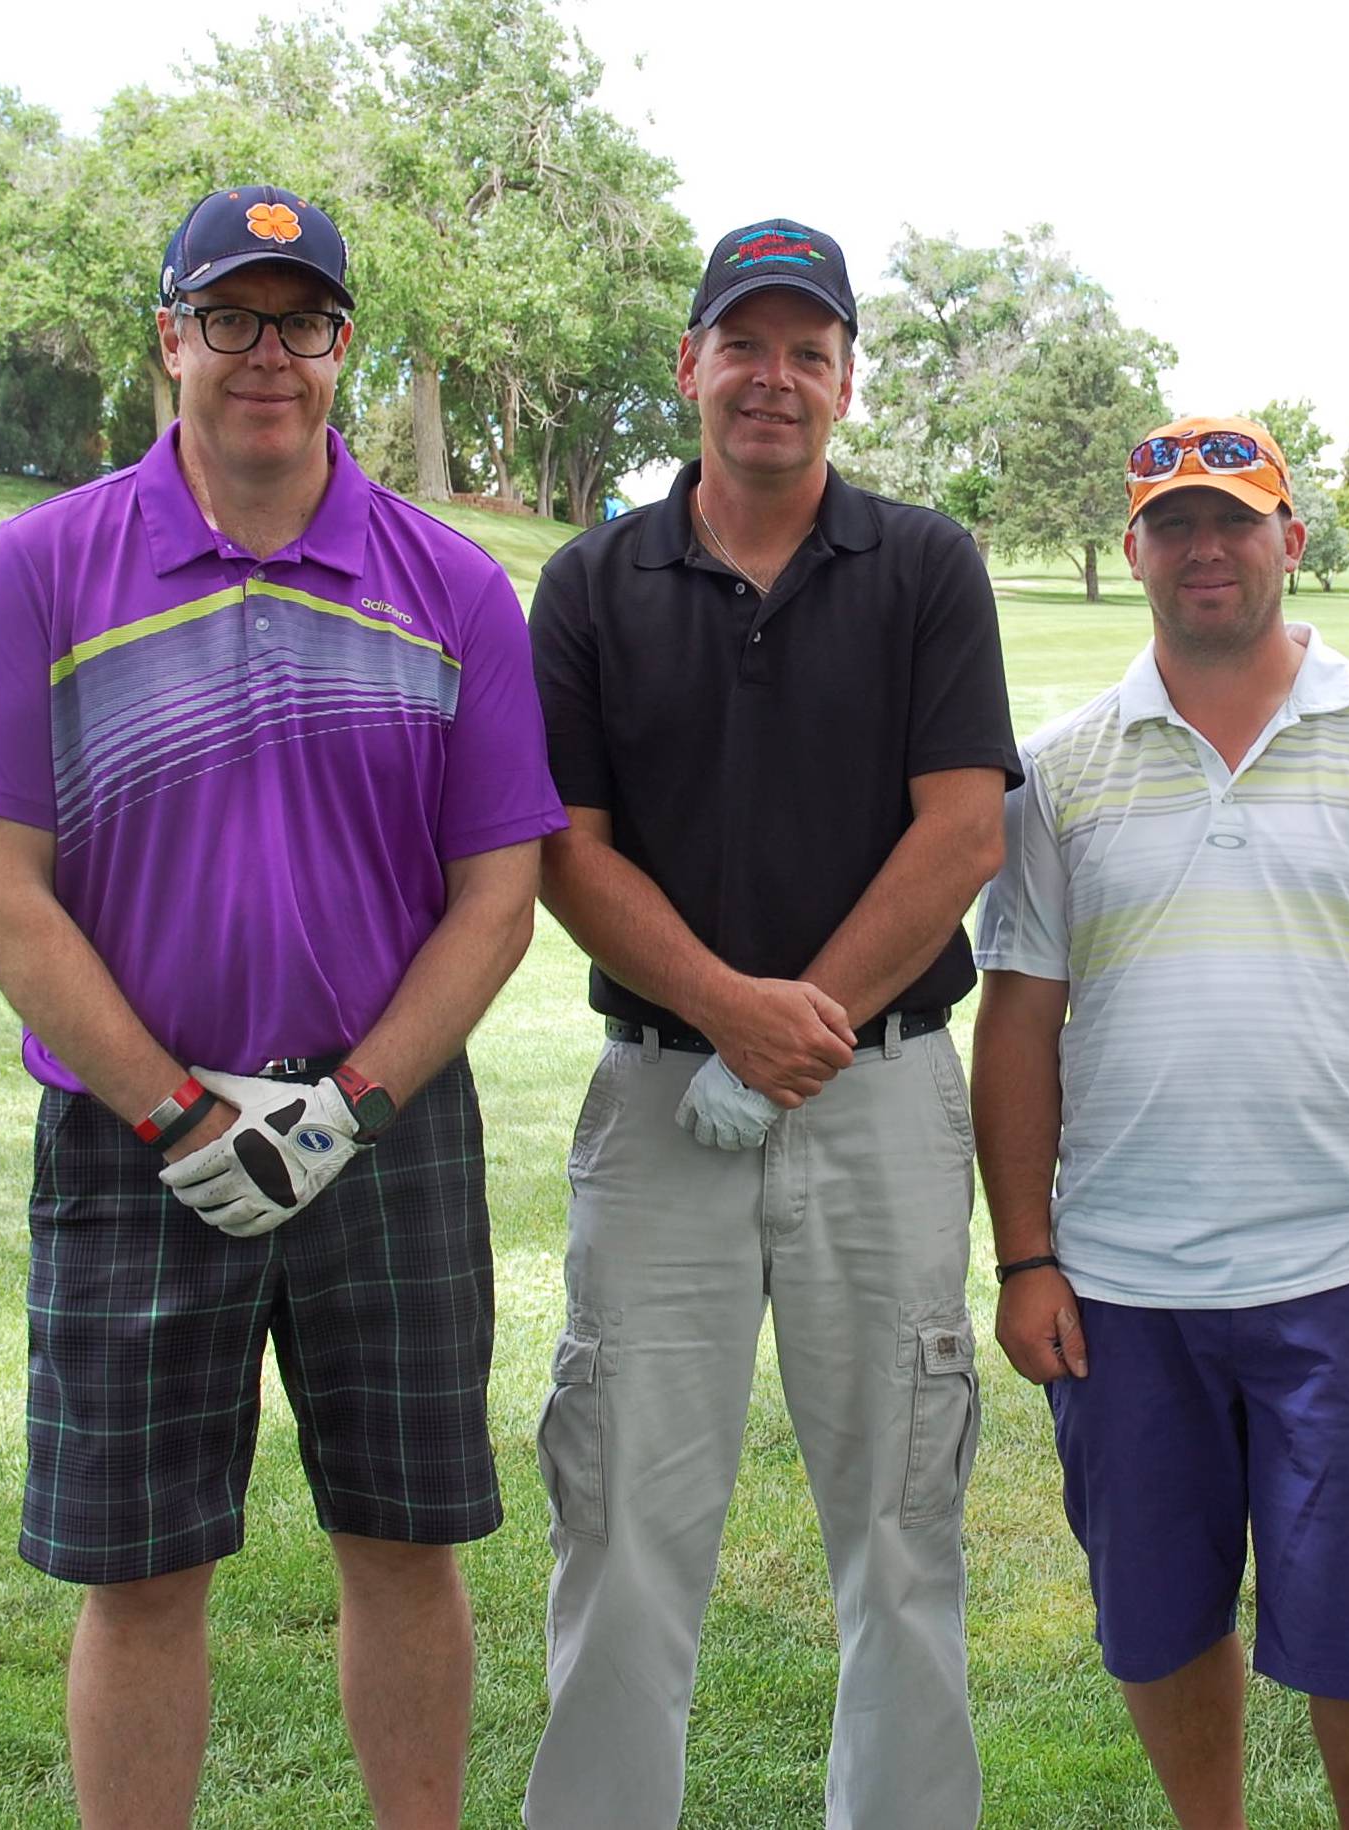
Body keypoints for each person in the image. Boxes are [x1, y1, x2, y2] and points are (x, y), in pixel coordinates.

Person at [0, 183, 563, 1827]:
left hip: (389, 1136)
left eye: (302, 321)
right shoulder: (44, 568)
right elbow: (1, 892)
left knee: (404, 1545)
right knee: (141, 1575)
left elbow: (498, 897)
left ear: (343, 347)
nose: (265, 355)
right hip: (135, 1140)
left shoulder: (453, 587)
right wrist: (178, 1114)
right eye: (229, 317)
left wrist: (348, 1103)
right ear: (169, 338)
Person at [522, 216, 1016, 1830]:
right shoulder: (593, 581)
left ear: (848, 383)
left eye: (809, 351)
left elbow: (960, 832)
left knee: (898, 1521)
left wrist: (798, 1022)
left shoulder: (926, 565)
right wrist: (727, 1009)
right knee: (622, 1522)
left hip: (879, 1105)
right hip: (659, 1103)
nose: (774, 379)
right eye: (746, 344)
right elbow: (564, 850)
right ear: (690, 365)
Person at [972, 416, 1349, 1829]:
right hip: (1120, 1288)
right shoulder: (1059, 768)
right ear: (1133, 552)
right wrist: (1025, 1256)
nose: (1204, 549)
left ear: (1290, 540)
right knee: (1154, 1615)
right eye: (1173, 525)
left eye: (1234, 520)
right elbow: (1018, 1027)